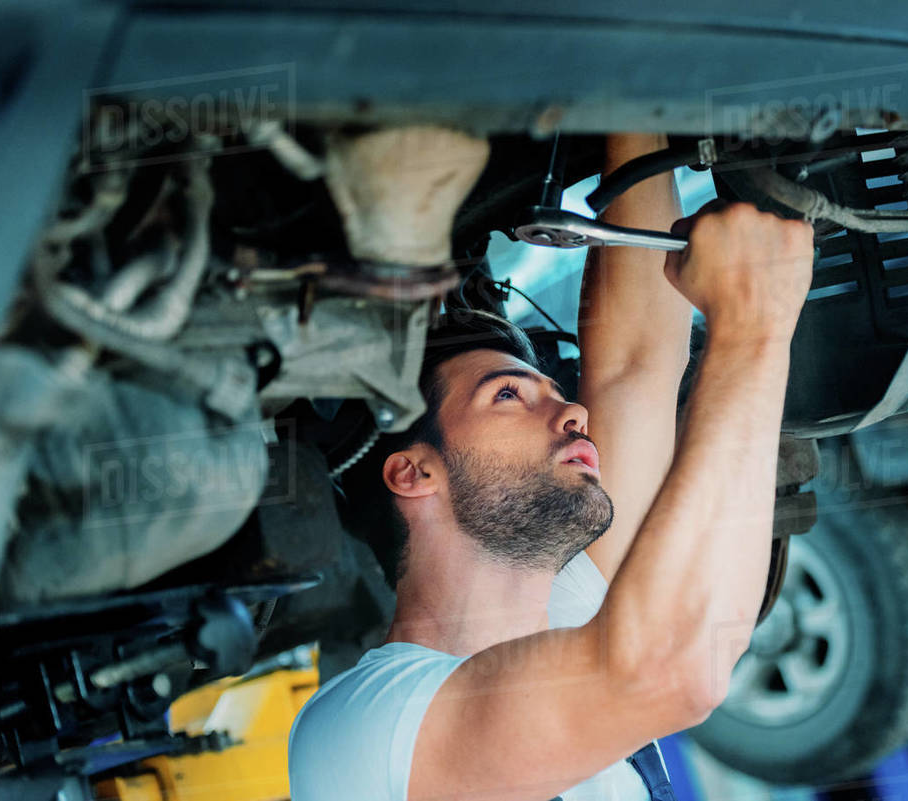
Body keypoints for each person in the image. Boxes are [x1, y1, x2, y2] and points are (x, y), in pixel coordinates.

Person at [287, 133, 816, 801]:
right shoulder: (368, 731)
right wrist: (754, 328)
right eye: (510, 394)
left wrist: (631, 96)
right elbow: (669, 667)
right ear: (414, 475)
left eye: (512, 393)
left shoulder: (561, 624)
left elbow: (636, 364)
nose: (575, 414)